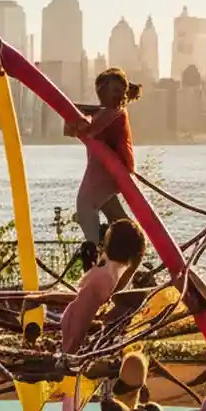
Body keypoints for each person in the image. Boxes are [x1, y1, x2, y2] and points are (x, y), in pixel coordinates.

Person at [54, 218, 147, 411]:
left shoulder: (105, 277)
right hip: (101, 350)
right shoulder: (114, 277)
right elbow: (87, 313)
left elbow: (83, 314)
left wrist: (72, 351)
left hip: (94, 350)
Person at [63, 67, 143, 269]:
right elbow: (89, 122)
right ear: (101, 93)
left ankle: (95, 251)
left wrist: (70, 111)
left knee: (85, 206)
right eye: (110, 91)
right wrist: (74, 112)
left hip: (108, 170)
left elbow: (90, 128)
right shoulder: (107, 113)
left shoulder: (116, 113)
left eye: (118, 91)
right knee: (115, 216)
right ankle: (134, 248)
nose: (115, 96)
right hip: (105, 169)